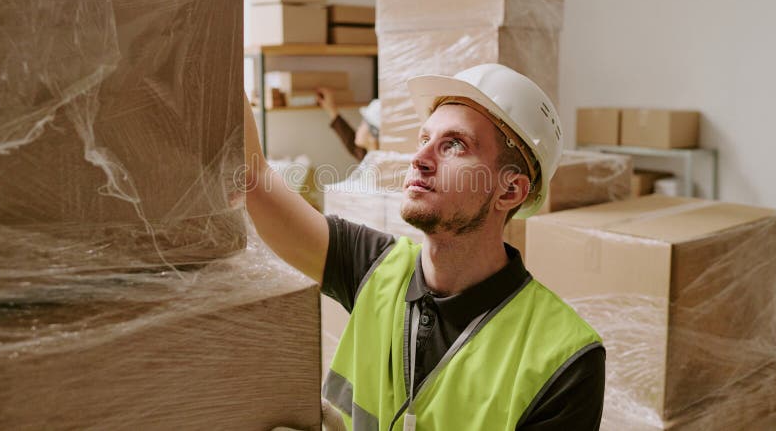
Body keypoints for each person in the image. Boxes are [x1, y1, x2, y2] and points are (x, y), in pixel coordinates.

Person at [242, 64, 605, 430]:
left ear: (510, 190)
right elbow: (253, 180)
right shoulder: (373, 266)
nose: (419, 159)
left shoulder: (566, 359)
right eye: (423, 139)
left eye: (454, 145)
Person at [316, 87, 379, 161]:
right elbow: (352, 144)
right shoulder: (370, 158)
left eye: (363, 123)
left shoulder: (377, 167)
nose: (359, 127)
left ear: (373, 134)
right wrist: (331, 109)